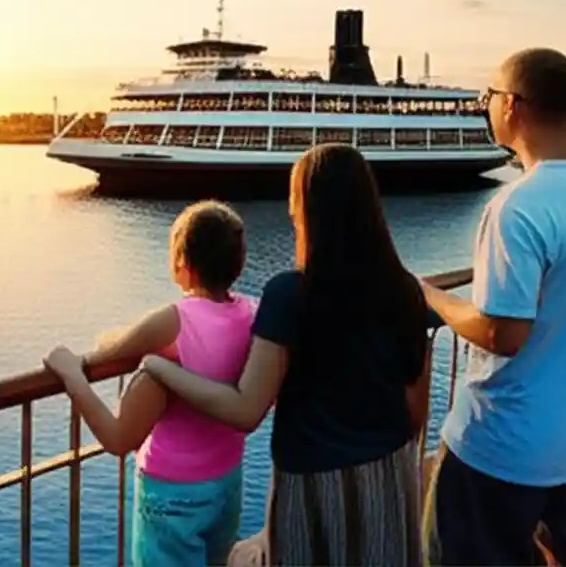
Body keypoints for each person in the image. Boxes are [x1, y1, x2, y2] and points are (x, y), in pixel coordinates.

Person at [143, 144, 435, 566]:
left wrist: (159, 368)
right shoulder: (405, 289)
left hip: (314, 490)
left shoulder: (290, 294)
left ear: (309, 209)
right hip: (389, 482)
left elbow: (245, 409)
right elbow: (415, 411)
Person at [420, 48, 566, 565]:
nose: (487, 105)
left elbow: (504, 333)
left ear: (514, 106)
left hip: (502, 445)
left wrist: (432, 297)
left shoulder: (520, 205)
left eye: (490, 96)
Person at [43, 200, 255, 567]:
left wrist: (73, 374)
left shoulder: (175, 320)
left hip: (171, 494)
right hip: (226, 482)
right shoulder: (252, 313)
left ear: (182, 266)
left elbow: (116, 427)